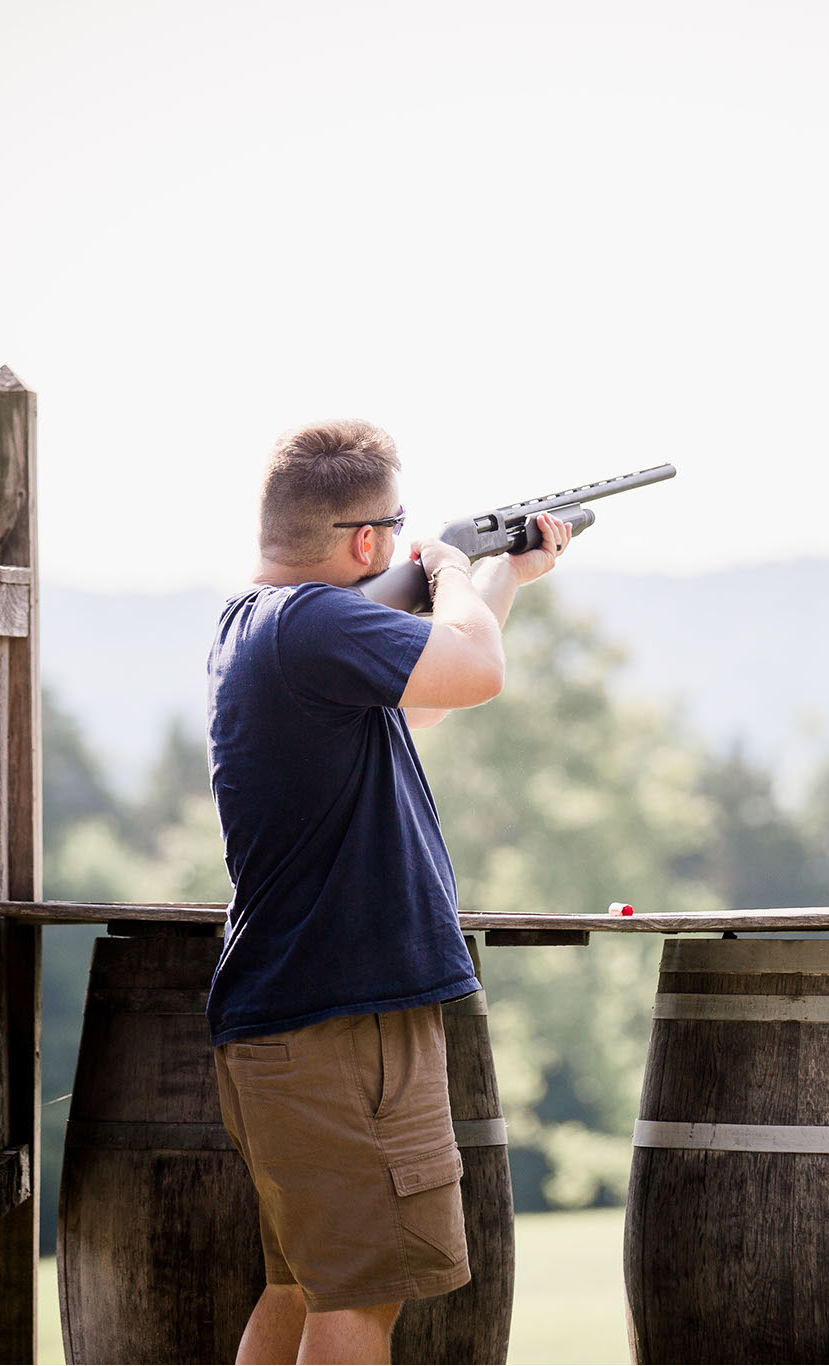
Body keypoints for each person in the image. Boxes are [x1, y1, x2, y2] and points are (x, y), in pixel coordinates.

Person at [206, 419, 571, 1365]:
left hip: (300, 1020)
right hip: (343, 1028)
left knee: (305, 1287)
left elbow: (436, 689)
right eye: (396, 528)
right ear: (367, 543)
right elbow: (477, 669)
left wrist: (503, 575)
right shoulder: (316, 624)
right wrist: (451, 568)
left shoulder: (264, 625)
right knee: (360, 1301)